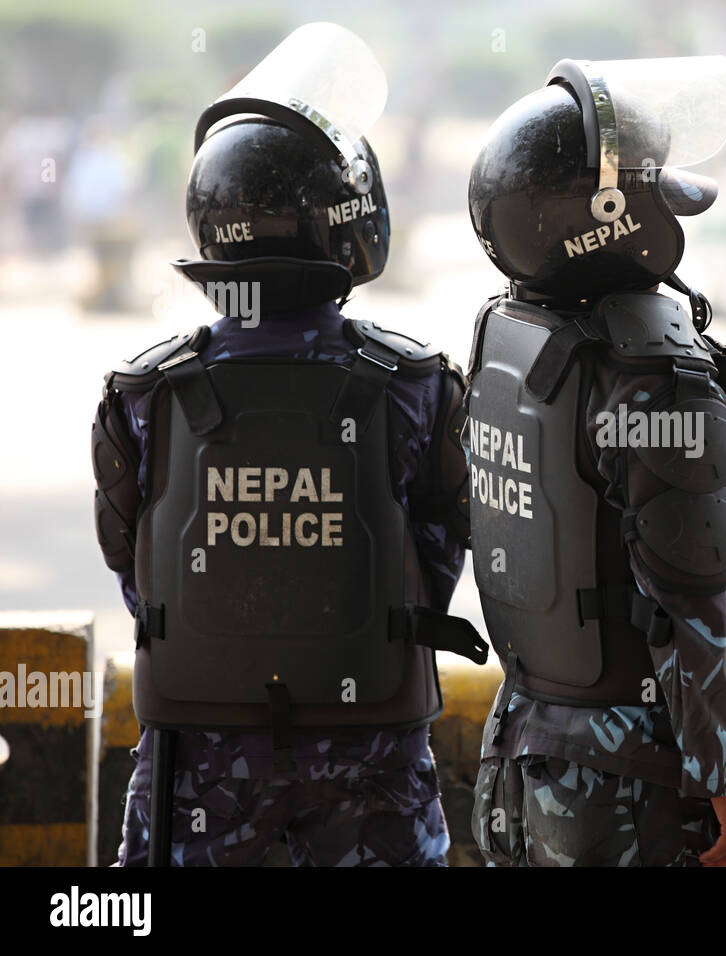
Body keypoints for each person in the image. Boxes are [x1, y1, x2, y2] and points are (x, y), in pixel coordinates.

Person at [91, 23, 485, 867]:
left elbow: (138, 577)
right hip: (374, 776)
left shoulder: (141, 393)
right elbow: (440, 561)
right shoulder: (417, 384)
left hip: (196, 777)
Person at [463, 56, 726, 867]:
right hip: (636, 784)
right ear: (610, 218)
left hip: (525, 754)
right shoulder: (655, 374)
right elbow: (686, 603)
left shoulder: (510, 336)